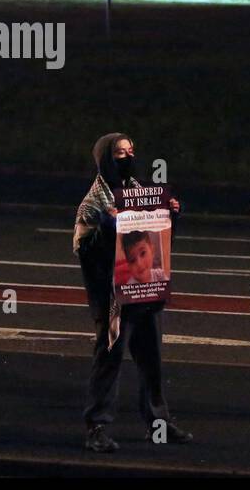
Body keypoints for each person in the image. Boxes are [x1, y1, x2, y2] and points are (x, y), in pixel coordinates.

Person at [73, 132, 190, 452]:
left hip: (145, 292)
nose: (127, 158)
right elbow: (85, 252)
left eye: (131, 151)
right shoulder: (93, 203)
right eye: (120, 154)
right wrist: (109, 229)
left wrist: (172, 215)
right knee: (109, 359)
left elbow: (158, 241)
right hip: (113, 299)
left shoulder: (141, 193)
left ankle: (158, 422)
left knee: (152, 360)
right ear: (105, 159)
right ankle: (96, 426)